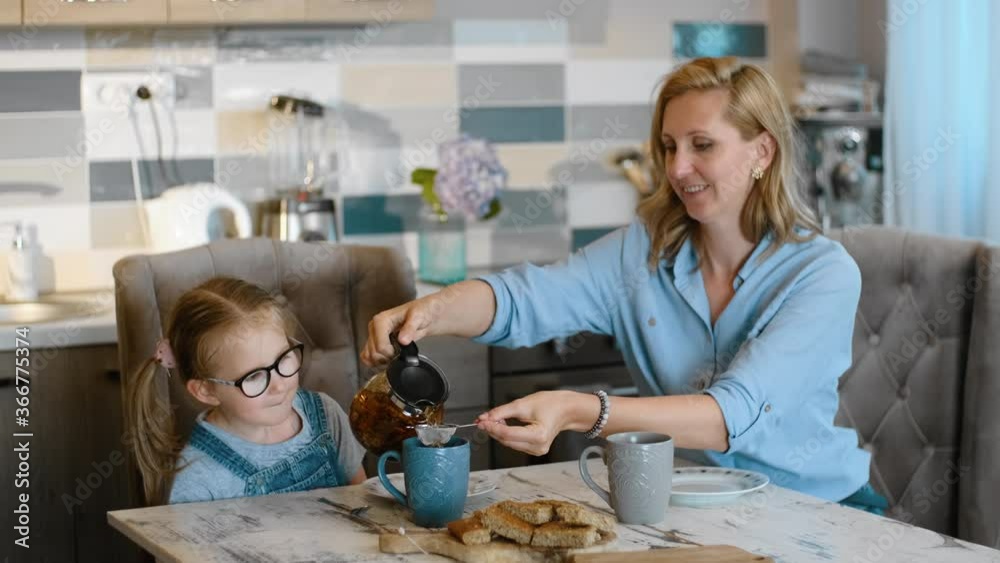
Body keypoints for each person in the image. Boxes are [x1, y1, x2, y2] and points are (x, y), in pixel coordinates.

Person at [361, 57, 887, 514]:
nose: (678, 168)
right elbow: (528, 299)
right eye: (669, 146)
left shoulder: (822, 274)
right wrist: (433, 310)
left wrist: (578, 409)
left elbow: (729, 417)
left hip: (817, 509)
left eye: (702, 145)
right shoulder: (642, 252)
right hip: (684, 506)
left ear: (762, 153)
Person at [126, 277, 366, 505]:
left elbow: (362, 504)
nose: (279, 385)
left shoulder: (326, 415)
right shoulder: (198, 480)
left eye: (283, 358)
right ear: (206, 390)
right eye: (254, 376)